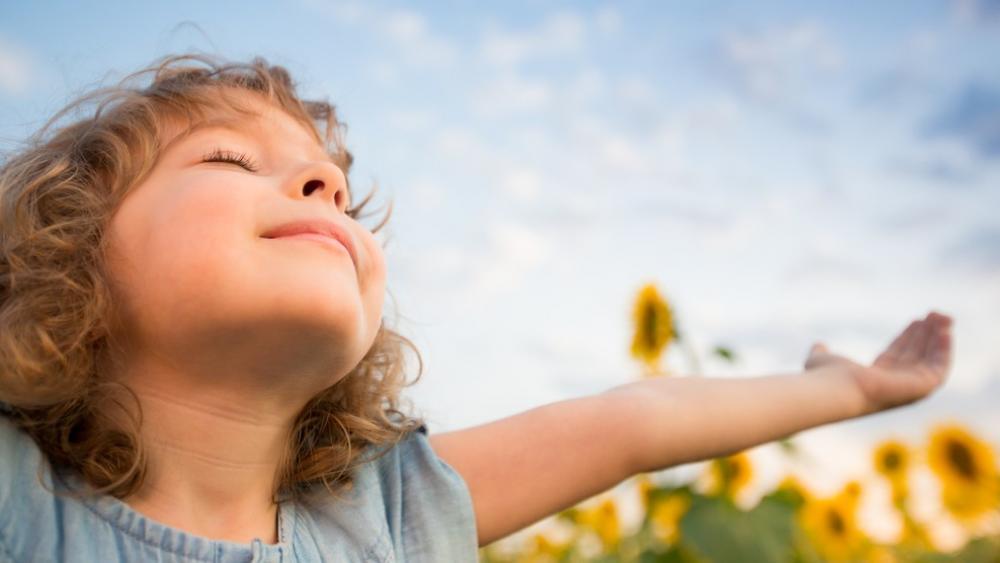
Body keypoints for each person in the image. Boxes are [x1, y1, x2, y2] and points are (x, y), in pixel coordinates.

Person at [0, 53, 953, 562]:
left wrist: (849, 391)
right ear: (66, 248)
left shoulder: (386, 512)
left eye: (332, 185)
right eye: (230, 158)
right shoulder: (25, 506)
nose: (325, 187)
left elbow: (636, 422)